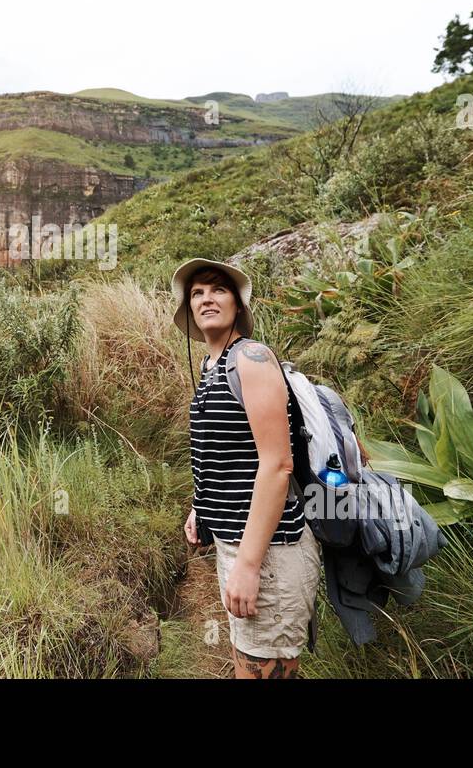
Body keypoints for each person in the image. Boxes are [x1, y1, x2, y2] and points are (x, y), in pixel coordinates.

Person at [171, 257, 322, 679]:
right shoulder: (212, 365)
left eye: (217, 289)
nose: (206, 298)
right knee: (249, 662)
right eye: (196, 293)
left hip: (270, 548)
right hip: (238, 542)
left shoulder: (251, 359)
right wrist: (203, 506)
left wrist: (250, 565)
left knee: (263, 669)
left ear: (238, 305)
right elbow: (227, 452)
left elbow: (277, 465)